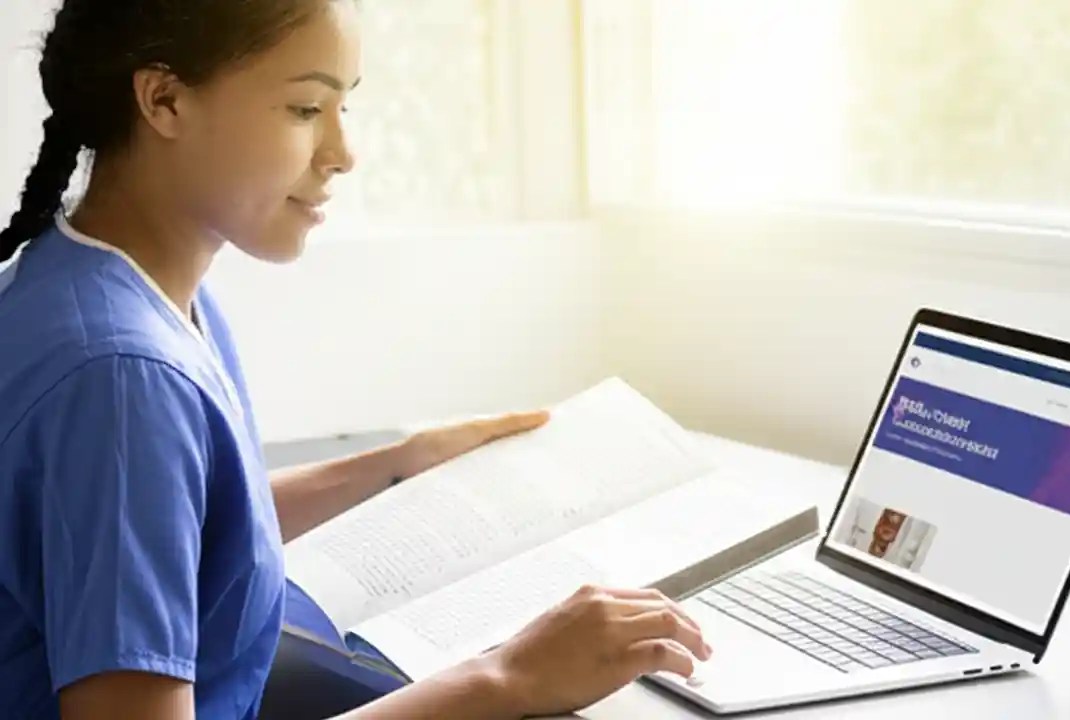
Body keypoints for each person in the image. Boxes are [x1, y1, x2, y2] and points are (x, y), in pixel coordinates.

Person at [0, 1, 711, 717]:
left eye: (345, 106)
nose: (343, 152)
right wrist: (503, 680)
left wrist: (395, 469)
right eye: (306, 107)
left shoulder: (99, 285)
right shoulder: (123, 379)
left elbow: (169, 525)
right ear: (164, 100)